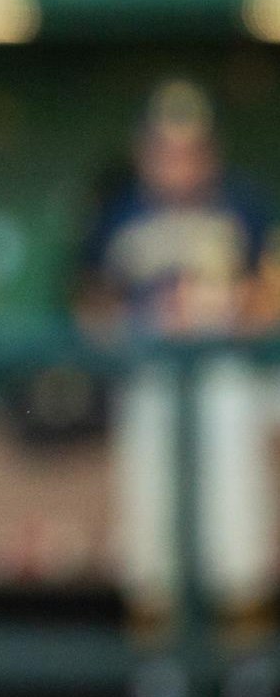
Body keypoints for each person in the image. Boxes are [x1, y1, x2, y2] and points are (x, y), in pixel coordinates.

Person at [75, 82, 277, 627]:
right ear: (145, 151)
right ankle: (159, 667)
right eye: (165, 150)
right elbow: (88, 302)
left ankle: (242, 664)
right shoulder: (119, 211)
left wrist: (226, 307)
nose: (178, 164)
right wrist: (129, 322)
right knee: (151, 537)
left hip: (225, 377)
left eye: (190, 150)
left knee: (235, 531)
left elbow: (270, 297)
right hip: (150, 378)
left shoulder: (245, 204)